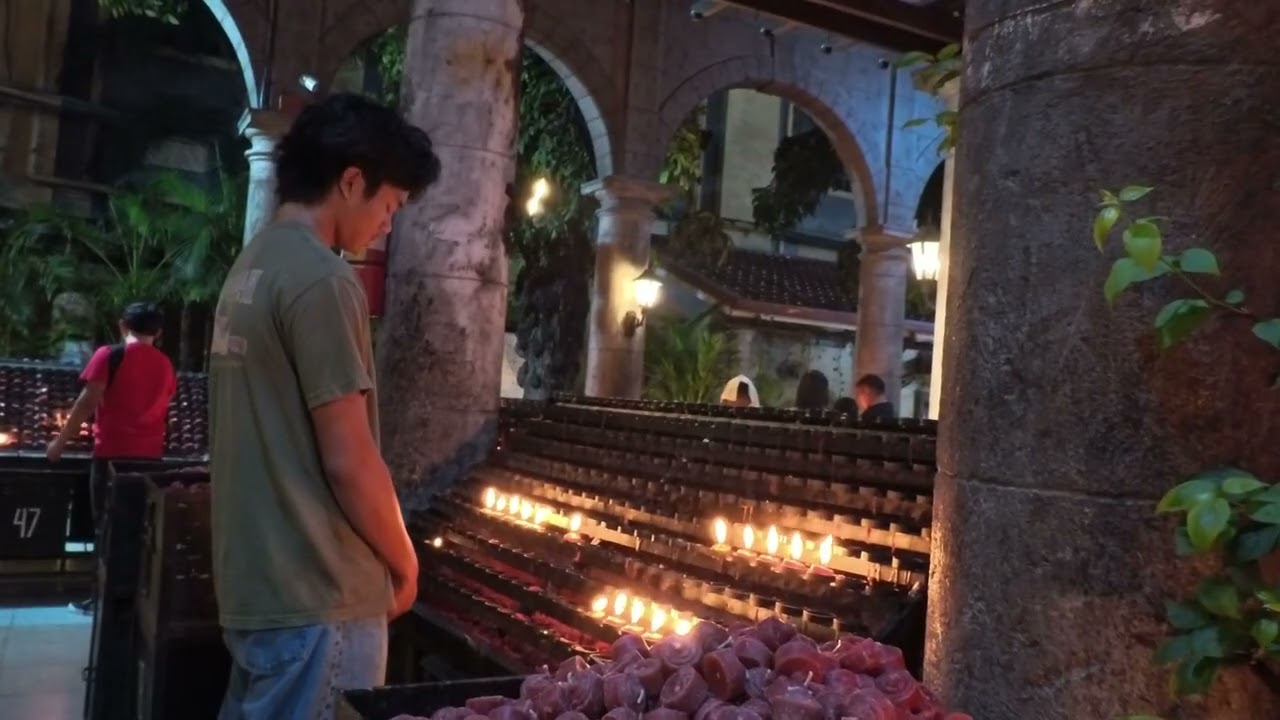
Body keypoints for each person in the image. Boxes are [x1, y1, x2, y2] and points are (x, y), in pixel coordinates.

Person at [208, 93, 440, 720]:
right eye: (390, 204)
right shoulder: (323, 279)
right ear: (351, 180)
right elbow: (349, 456)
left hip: (261, 583)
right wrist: (405, 559)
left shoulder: (253, 264)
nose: (389, 223)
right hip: (320, 593)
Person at [48, 301, 176, 615]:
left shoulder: (109, 355)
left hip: (111, 456)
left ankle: (102, 599)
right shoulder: (165, 365)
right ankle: (131, 600)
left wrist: (59, 443)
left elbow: (85, 402)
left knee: (107, 527)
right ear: (158, 332)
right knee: (138, 530)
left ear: (123, 326)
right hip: (150, 459)